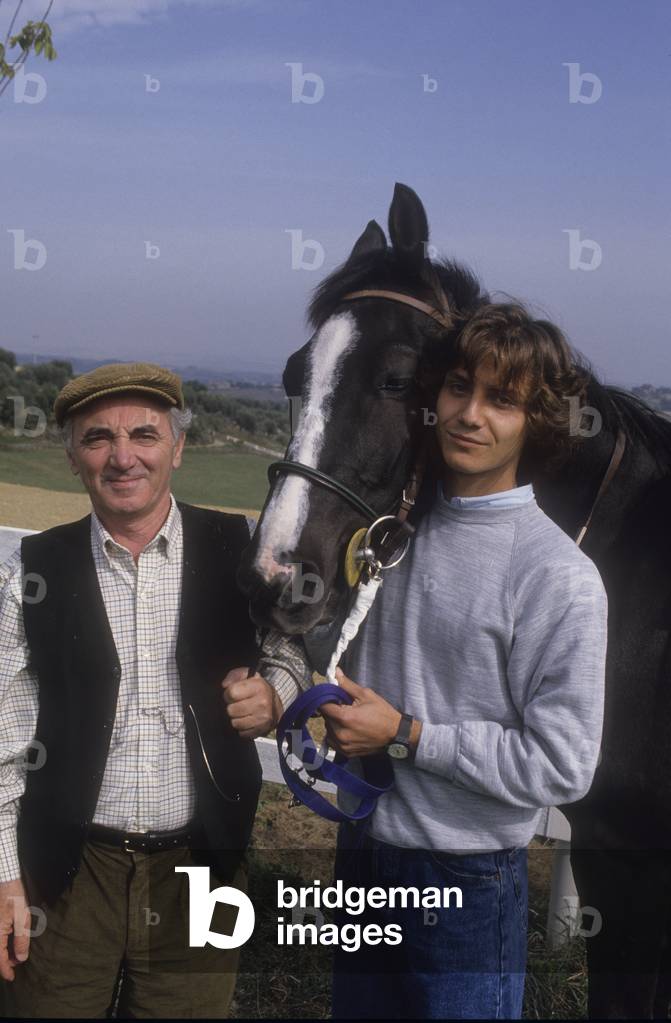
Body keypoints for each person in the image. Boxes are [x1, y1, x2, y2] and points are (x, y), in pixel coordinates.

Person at [317, 303, 609, 1019]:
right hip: (362, 854)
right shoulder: (389, 534)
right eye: (457, 387)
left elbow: (562, 765)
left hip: (466, 880)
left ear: (535, 422)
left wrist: (406, 734)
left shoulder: (555, 575)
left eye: (501, 400)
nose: (469, 414)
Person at [0, 362, 286, 1019]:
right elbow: (2, 748)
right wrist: (5, 879)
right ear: (73, 457)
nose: (122, 455)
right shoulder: (32, 572)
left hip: (204, 867)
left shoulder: (236, 547)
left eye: (145, 435)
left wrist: (275, 690)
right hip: (67, 874)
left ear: (179, 447)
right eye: (97, 437)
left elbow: (288, 645)